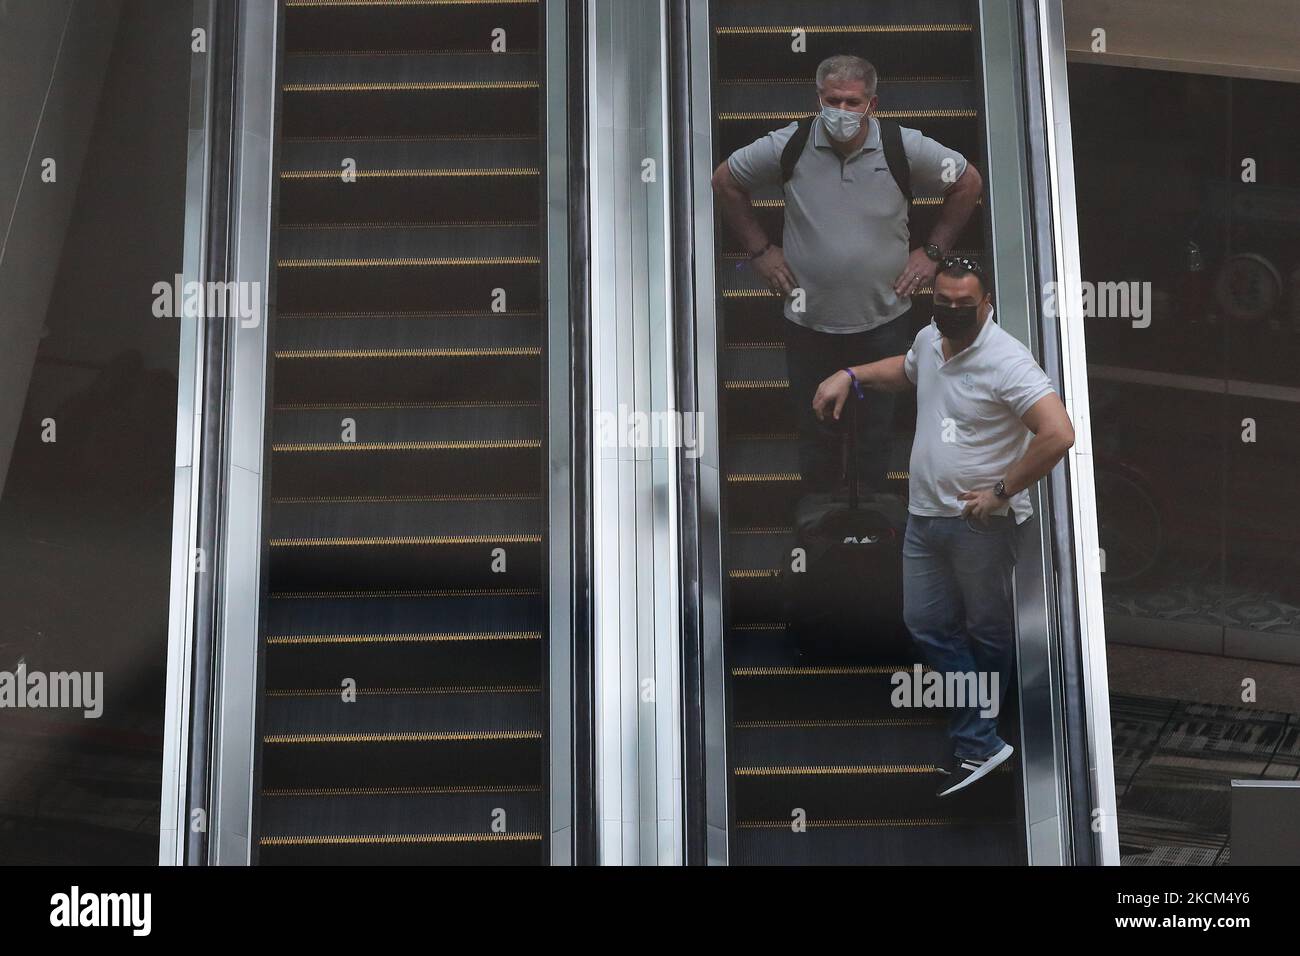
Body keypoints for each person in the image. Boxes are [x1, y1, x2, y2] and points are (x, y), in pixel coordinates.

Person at [811, 259, 1076, 797]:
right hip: (923, 517)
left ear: (987, 305)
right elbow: (907, 370)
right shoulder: (931, 338)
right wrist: (852, 374)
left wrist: (1000, 492)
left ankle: (980, 741)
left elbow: (1059, 434)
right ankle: (981, 736)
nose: (952, 313)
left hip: (979, 525)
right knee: (928, 625)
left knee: (986, 632)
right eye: (944, 303)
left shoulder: (1008, 363)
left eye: (963, 306)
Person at [712, 53, 982, 494]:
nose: (841, 111)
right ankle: (820, 523)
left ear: (872, 104)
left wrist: (933, 252)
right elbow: (725, 180)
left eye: (852, 102)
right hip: (809, 322)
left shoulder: (902, 146)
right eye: (832, 100)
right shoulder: (791, 144)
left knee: (875, 433)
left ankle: (872, 522)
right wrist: (759, 250)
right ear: (818, 98)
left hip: (883, 321)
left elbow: (967, 182)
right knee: (814, 429)